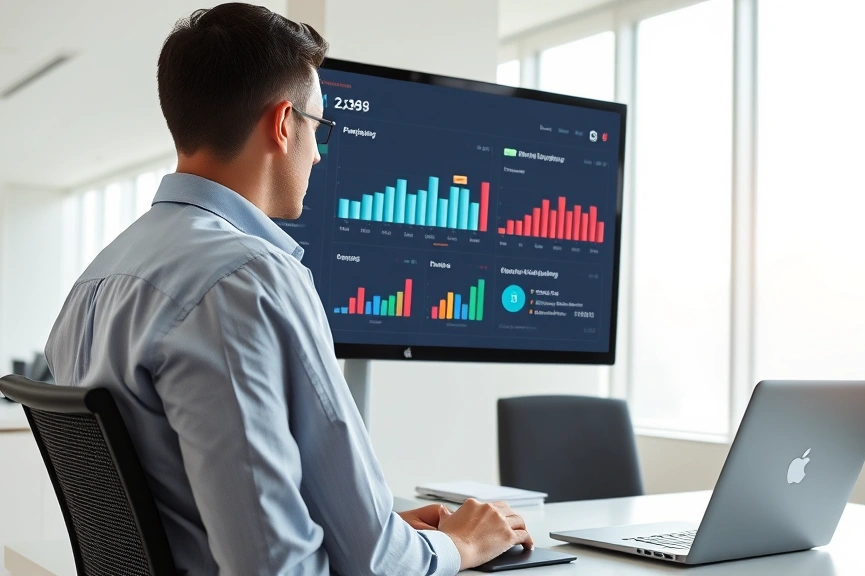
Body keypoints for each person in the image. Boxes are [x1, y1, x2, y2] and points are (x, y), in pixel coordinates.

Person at [44, 3, 532, 574]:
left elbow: (185, 511)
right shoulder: (247, 279)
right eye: (319, 127)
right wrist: (461, 545)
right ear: (283, 124)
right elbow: (282, 567)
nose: (320, 152)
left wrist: (379, 530)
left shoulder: (94, 280)